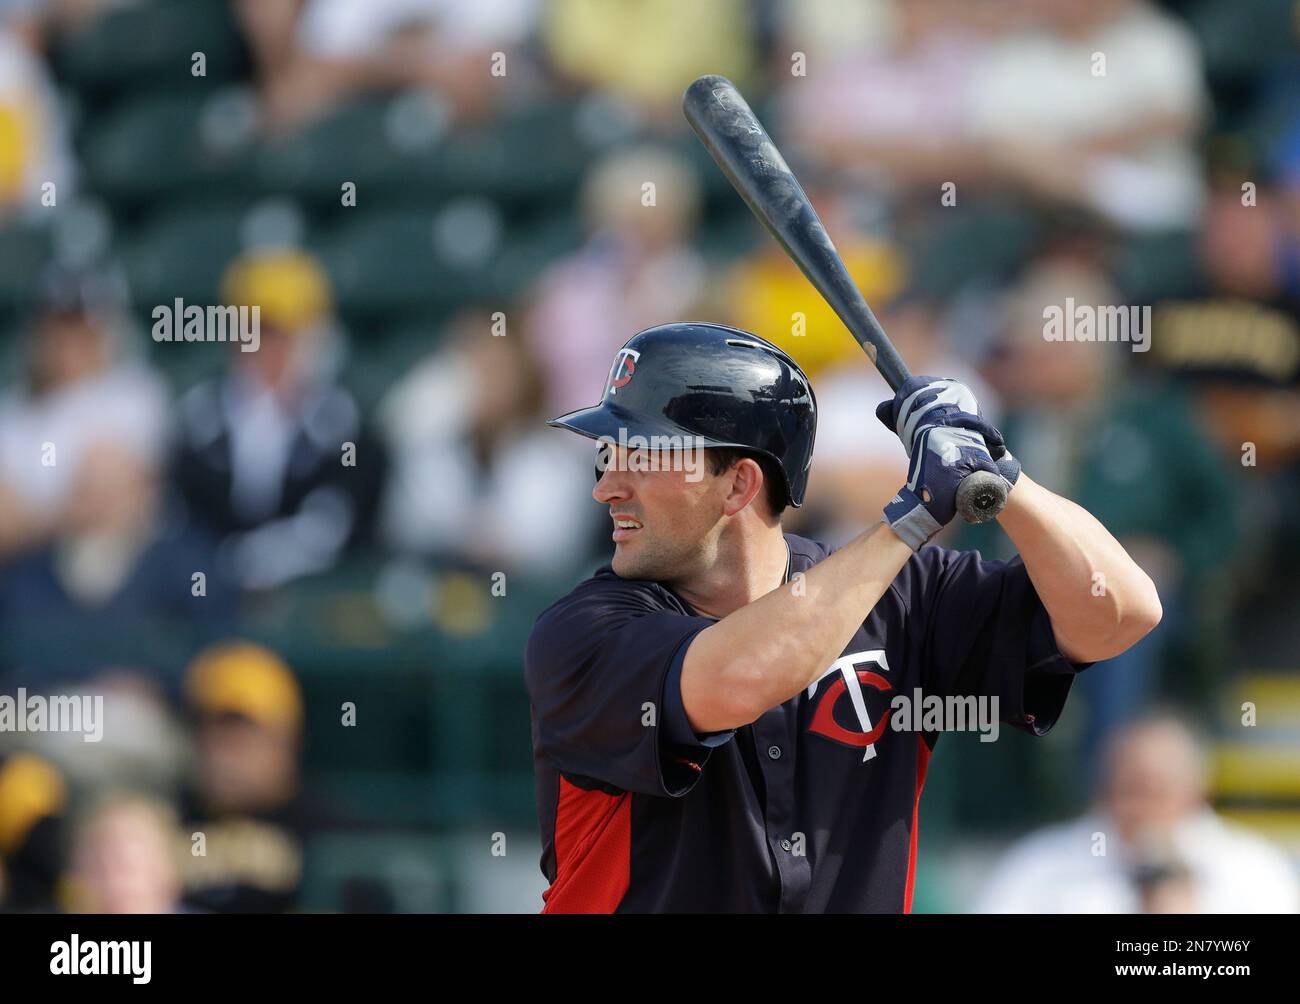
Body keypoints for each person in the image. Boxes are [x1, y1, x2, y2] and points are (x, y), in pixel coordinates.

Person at [523, 321, 1161, 913]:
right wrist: (913, 516)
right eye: (609, 456)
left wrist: (999, 473)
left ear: (739, 486)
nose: (606, 487)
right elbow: (742, 675)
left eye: (641, 457)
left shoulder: (905, 595)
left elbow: (1122, 612)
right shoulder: (583, 631)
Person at [974, 712, 1300, 913]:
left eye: (1155, 792)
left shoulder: (1254, 870)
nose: (1138, 809)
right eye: (1126, 789)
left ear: (1197, 793)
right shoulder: (1040, 865)